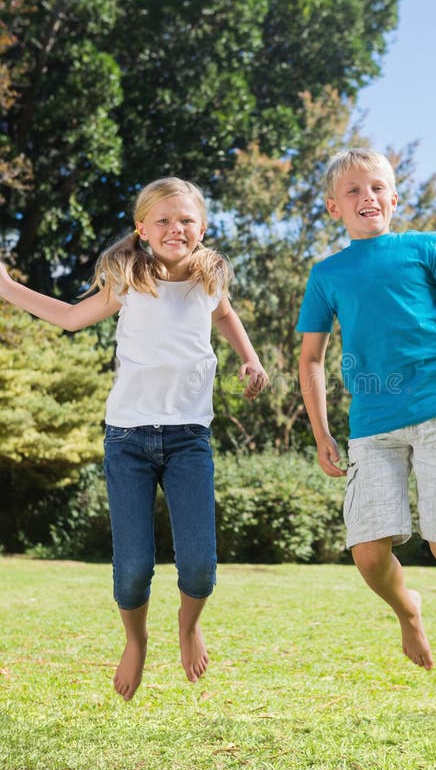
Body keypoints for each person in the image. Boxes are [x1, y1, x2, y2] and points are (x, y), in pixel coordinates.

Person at [0, 177, 268, 700]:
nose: (176, 229)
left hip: (190, 437)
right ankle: (136, 639)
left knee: (199, 567)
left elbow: (226, 313)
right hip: (127, 438)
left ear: (203, 227)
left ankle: (187, 628)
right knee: (133, 569)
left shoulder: (210, 277)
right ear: (142, 229)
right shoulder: (129, 279)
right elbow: (72, 318)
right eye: (163, 220)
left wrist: (250, 357)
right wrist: (8, 289)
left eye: (186, 220)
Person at [297, 148, 436, 671]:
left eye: (376, 187)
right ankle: (408, 609)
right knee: (368, 554)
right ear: (334, 207)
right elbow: (311, 357)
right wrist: (321, 432)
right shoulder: (327, 275)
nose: (366, 197)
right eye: (352, 191)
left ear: (394, 198)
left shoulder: (428, 248)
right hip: (373, 427)